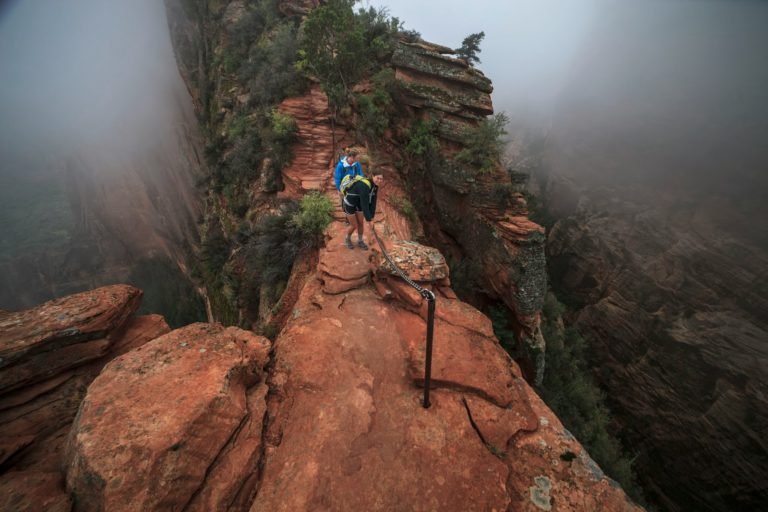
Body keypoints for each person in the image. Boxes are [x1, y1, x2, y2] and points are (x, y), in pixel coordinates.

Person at [339, 173, 378, 250]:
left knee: (361, 223)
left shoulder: (375, 186)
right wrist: (369, 220)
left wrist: (372, 217)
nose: (379, 180)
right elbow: (365, 205)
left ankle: (360, 241)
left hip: (359, 203)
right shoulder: (364, 186)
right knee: (354, 225)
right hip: (349, 203)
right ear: (373, 176)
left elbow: (373, 202)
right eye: (378, 178)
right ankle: (347, 239)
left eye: (381, 179)